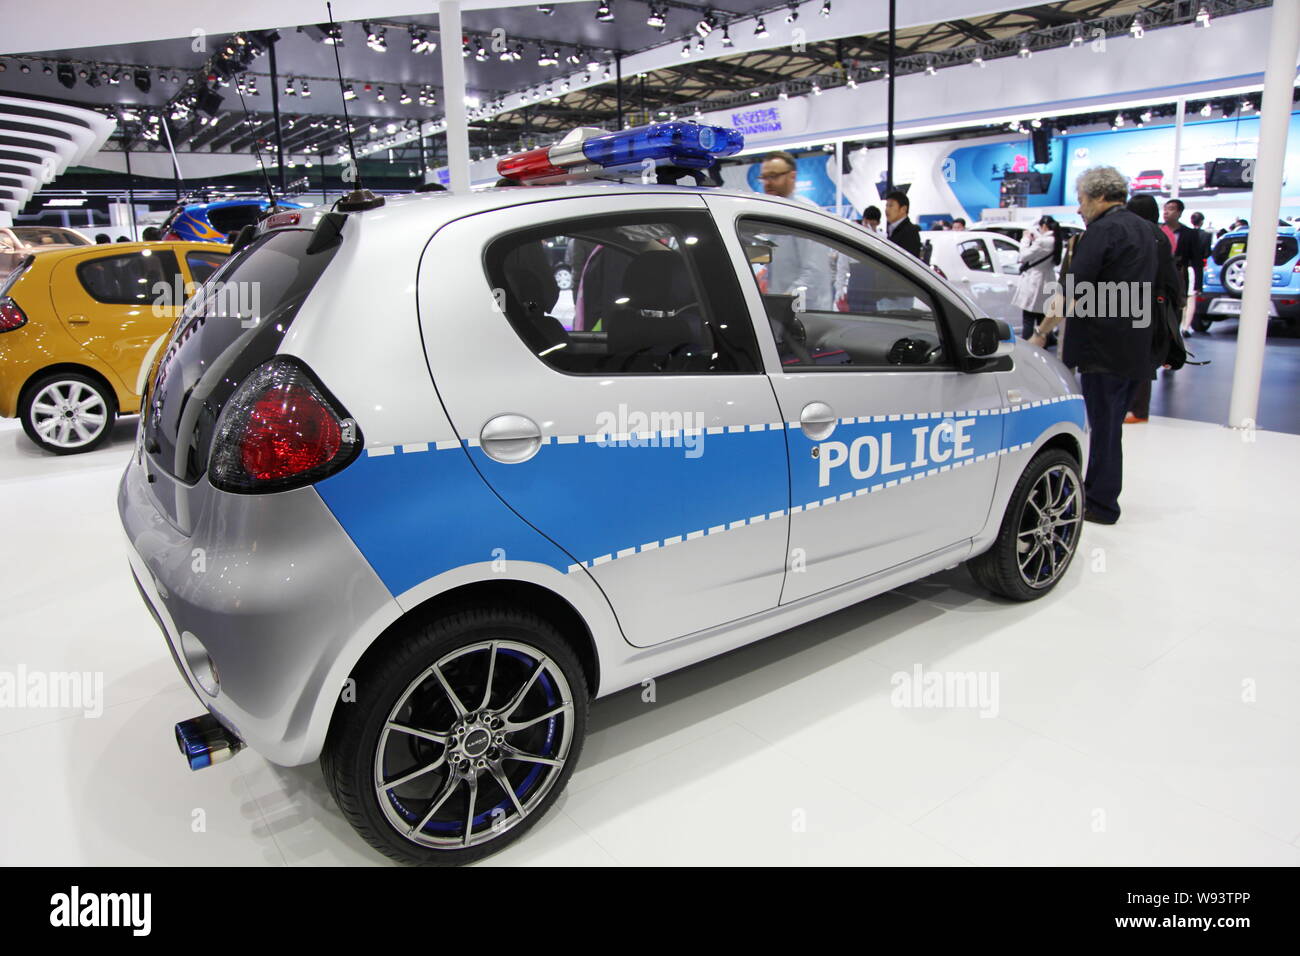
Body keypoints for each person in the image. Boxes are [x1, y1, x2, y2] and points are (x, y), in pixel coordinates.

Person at [1028, 166, 1157, 525]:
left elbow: (1071, 290)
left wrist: (1041, 331)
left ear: (1100, 197)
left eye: (1082, 201)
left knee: (1102, 424)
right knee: (1108, 424)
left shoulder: (1102, 232)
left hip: (1104, 344)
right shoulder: (1146, 230)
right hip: (1134, 342)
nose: (1080, 209)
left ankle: (1101, 503)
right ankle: (1100, 493)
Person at [1123, 194, 1185, 424]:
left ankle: (1138, 410)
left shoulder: (1147, 234)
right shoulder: (1159, 233)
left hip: (1143, 301)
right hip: (1152, 301)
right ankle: (1136, 409)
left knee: (1139, 355)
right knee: (1142, 353)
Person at [759, 151, 832, 309]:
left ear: (792, 176)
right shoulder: (774, 213)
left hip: (807, 312)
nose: (768, 183)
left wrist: (783, 302)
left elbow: (814, 273)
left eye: (774, 176)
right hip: (784, 309)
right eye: (765, 177)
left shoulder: (805, 213)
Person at [1013, 215, 1062, 341]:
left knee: (1028, 319)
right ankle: (1042, 350)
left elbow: (1023, 256)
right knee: (1042, 321)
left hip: (1035, 282)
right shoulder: (1055, 239)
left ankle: (1028, 349)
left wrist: (1025, 239)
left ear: (1044, 226)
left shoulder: (1042, 241)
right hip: (1047, 281)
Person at [1184, 211, 1213, 333]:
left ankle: (1180, 325)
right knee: (1191, 299)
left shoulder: (1186, 234)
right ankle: (1186, 328)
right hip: (1194, 269)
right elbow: (1206, 254)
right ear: (1202, 221)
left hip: (1183, 268)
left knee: (1182, 299)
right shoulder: (1206, 235)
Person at [883, 190, 922, 258]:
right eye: (886, 206)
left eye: (891, 206)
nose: (887, 209)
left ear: (903, 209)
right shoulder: (893, 229)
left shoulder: (910, 232)